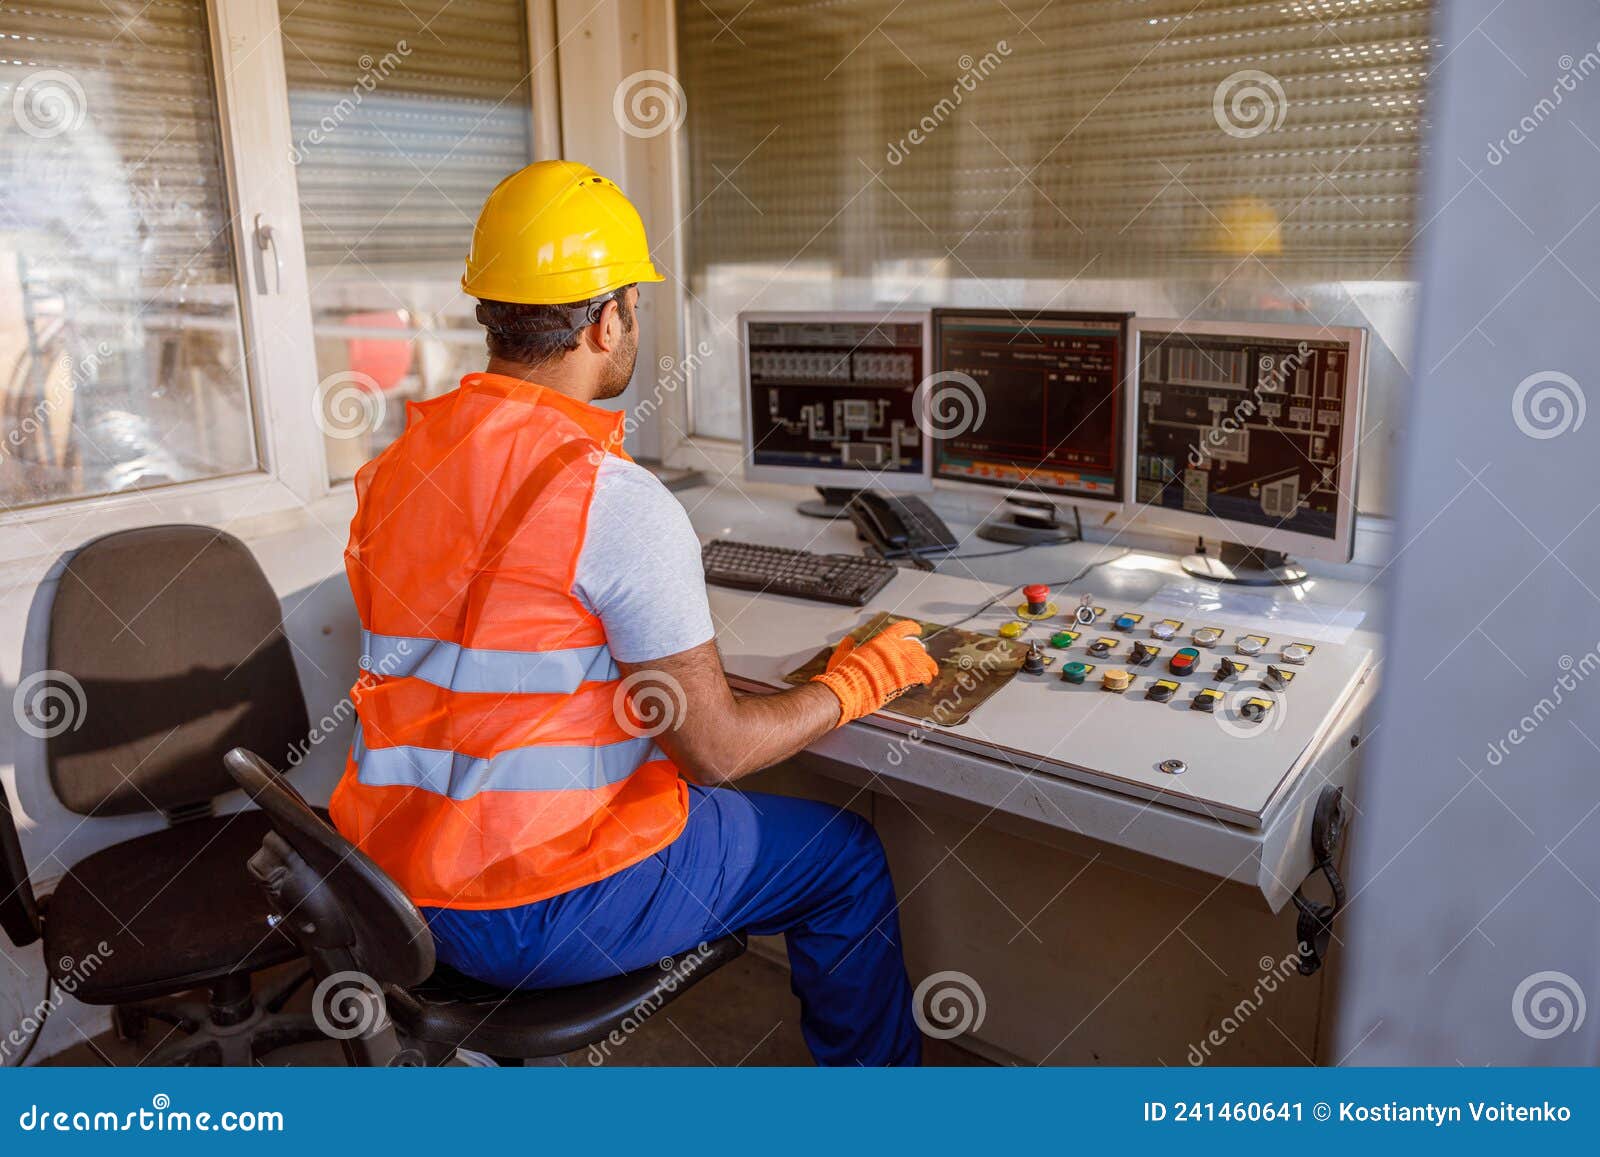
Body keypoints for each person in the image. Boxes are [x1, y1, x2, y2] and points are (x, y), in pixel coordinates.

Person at [329, 160, 940, 1066]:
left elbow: (489, 649)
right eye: (635, 308)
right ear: (608, 316)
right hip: (532, 902)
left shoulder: (400, 465)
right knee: (842, 856)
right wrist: (855, 683)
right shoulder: (607, 496)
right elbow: (718, 753)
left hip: (392, 881)